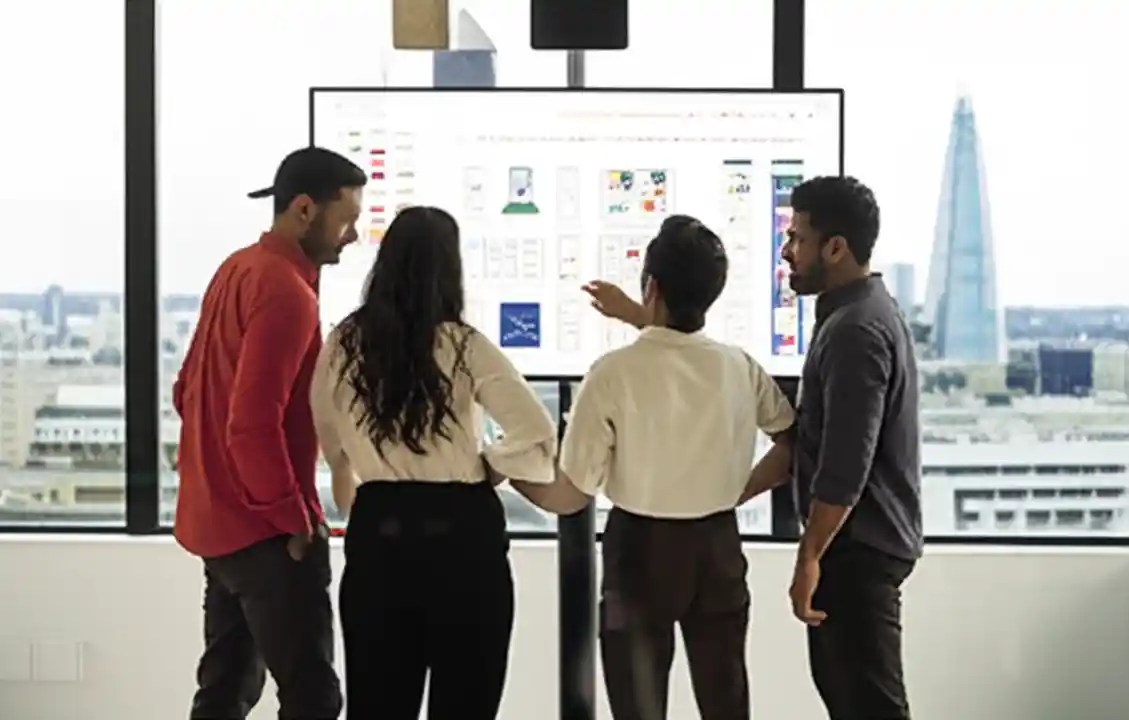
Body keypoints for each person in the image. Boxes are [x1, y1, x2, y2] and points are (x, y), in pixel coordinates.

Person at [515, 215, 795, 720]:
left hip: (639, 553)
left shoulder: (612, 373)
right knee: (726, 703)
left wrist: (504, 465)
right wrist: (736, 491)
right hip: (718, 546)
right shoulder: (739, 366)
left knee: (638, 709)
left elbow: (570, 494)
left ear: (651, 287)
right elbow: (790, 445)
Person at [309, 205, 558, 719]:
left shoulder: (345, 343)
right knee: (466, 703)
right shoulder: (465, 346)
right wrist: (491, 464)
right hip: (463, 534)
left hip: (380, 529)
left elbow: (327, 429)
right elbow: (536, 431)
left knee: (378, 706)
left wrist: (352, 468)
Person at [173, 146, 366, 720]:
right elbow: (253, 424)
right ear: (305, 209)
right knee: (312, 698)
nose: (353, 236)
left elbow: (185, 391)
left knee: (224, 690)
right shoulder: (286, 292)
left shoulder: (236, 268)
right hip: (266, 532)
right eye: (347, 220)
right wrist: (292, 519)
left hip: (219, 525)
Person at [763, 176, 923, 720]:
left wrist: (809, 554)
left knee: (870, 708)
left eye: (797, 237)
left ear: (835, 248)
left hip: (857, 551)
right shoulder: (859, 312)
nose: (786, 251)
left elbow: (845, 464)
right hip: (858, 546)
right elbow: (812, 444)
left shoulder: (855, 329)